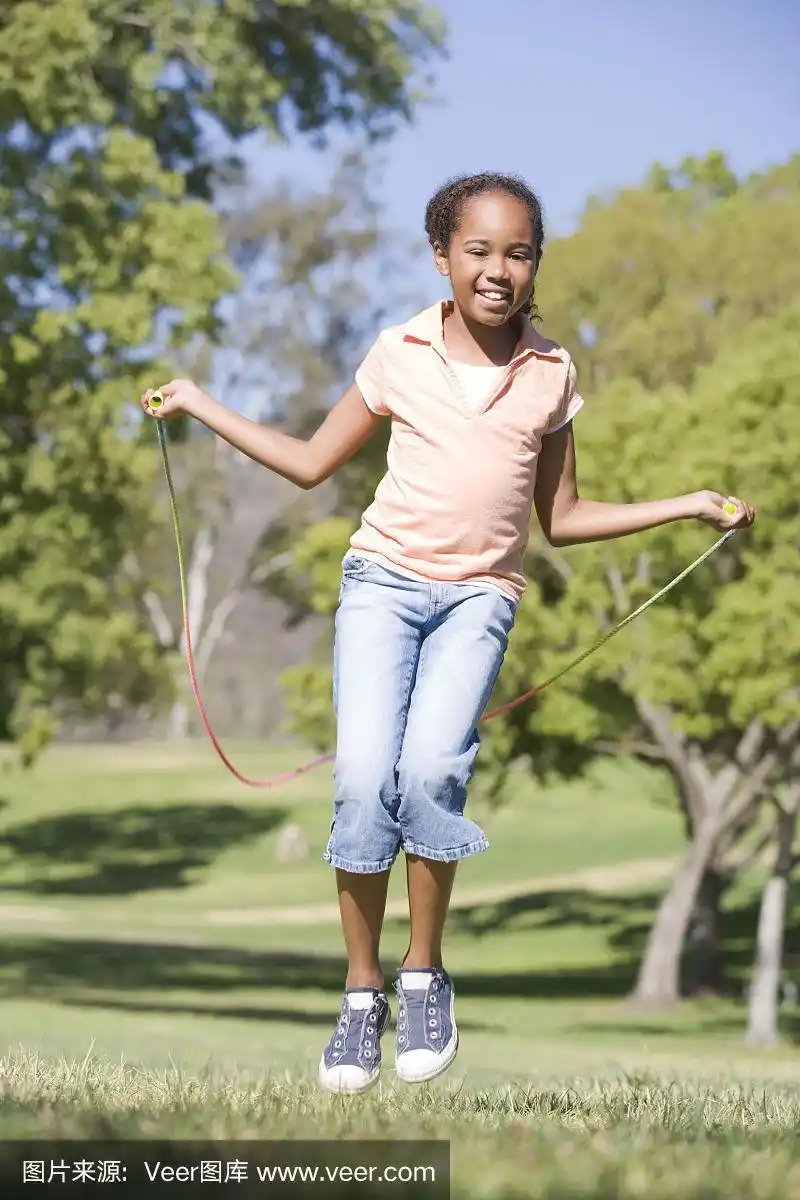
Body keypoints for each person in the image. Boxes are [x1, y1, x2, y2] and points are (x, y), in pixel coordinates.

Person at [141, 172, 755, 1095]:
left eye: (518, 252)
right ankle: (361, 994)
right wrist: (198, 402)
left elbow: (565, 517)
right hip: (380, 585)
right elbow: (311, 464)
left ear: (536, 262)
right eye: (479, 250)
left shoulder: (551, 374)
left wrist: (688, 506)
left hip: (480, 597)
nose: (498, 269)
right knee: (361, 783)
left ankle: (423, 973)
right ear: (443, 257)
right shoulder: (399, 352)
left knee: (431, 772)